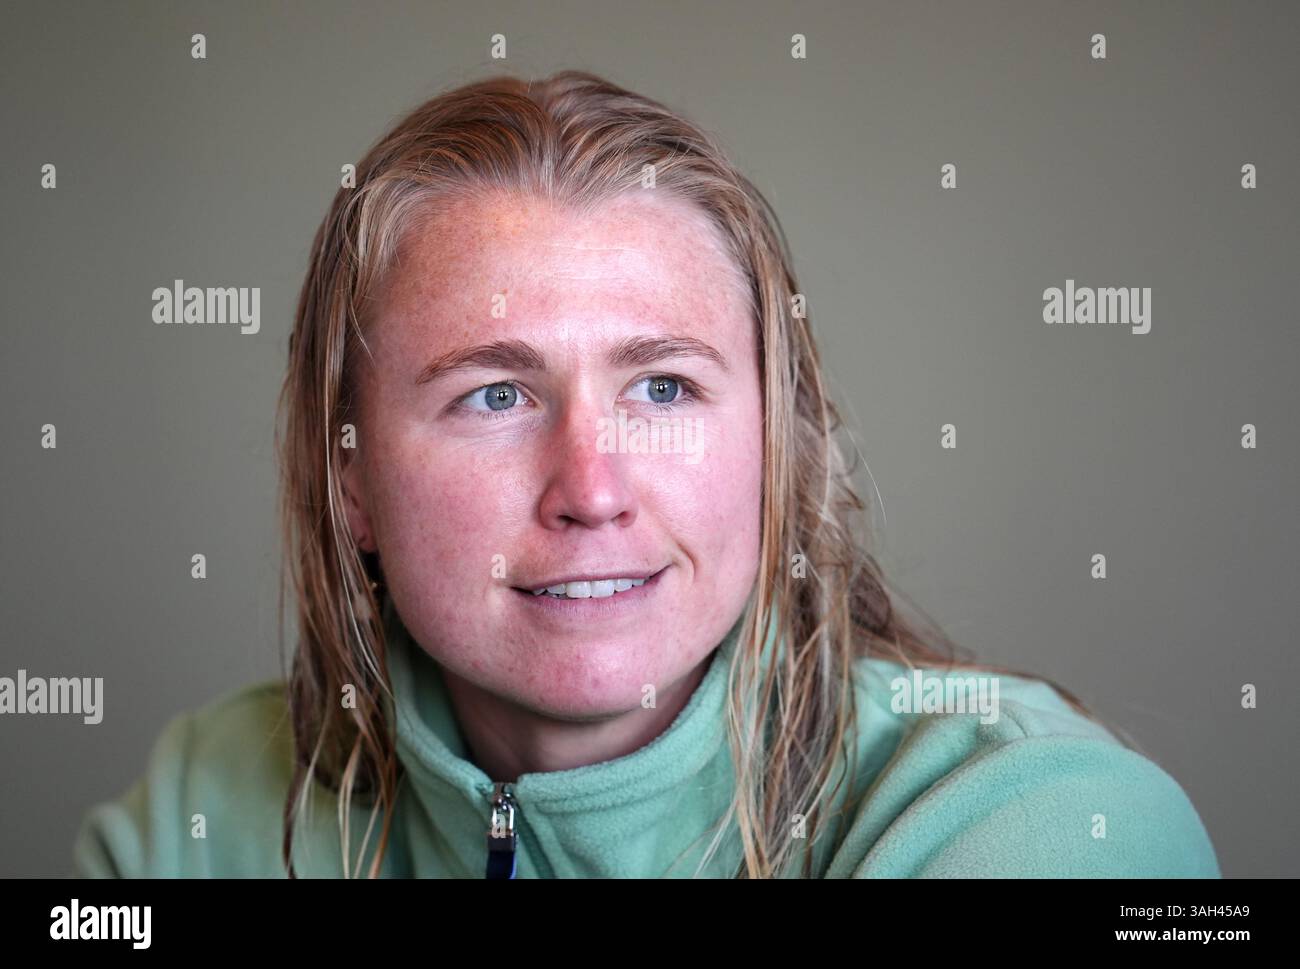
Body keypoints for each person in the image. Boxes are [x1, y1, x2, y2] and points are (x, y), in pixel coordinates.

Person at [74, 70, 1219, 878]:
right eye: (495, 395)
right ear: (350, 485)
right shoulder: (199, 814)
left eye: (663, 388)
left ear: (776, 448)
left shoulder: (1041, 827)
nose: (593, 488)